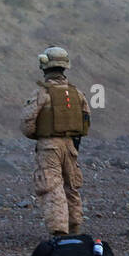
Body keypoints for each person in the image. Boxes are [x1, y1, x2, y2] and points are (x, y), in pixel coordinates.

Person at [20, 47, 91, 236]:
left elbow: (27, 123)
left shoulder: (41, 93)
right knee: (71, 187)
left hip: (49, 147)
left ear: (44, 67)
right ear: (65, 67)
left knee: (52, 187)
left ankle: (59, 232)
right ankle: (75, 228)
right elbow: (85, 121)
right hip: (70, 146)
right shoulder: (78, 93)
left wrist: (41, 137)